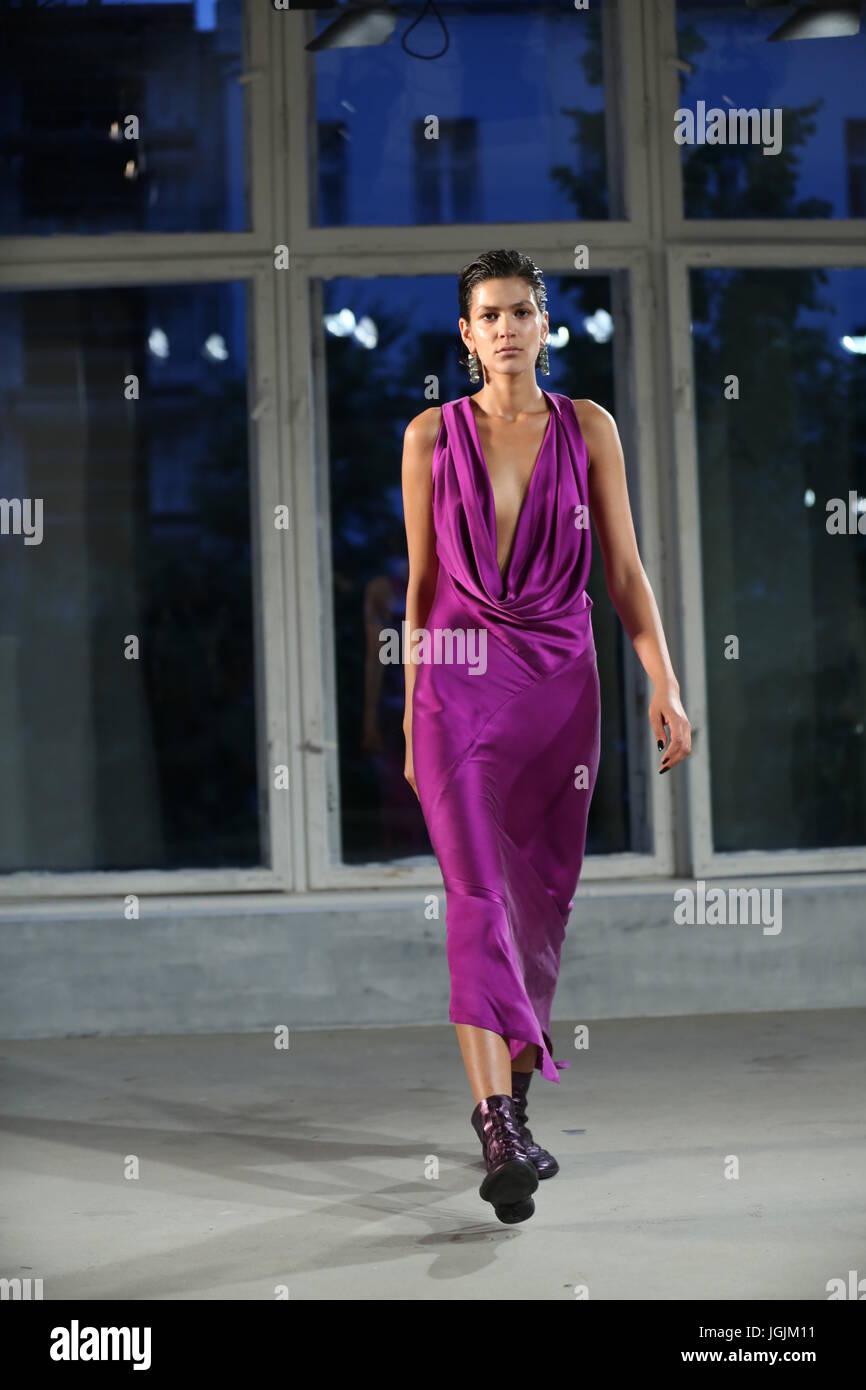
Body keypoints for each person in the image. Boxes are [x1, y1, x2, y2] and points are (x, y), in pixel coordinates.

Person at [400, 249, 691, 1223]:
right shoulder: (427, 438)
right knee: (474, 894)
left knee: (531, 902)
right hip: (453, 690)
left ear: (543, 322)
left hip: (557, 694)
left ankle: (515, 1113)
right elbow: (419, 588)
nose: (507, 327)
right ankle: (493, 1126)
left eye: (522, 310)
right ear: (466, 334)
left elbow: (621, 568)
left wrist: (663, 679)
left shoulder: (588, 429)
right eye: (489, 314)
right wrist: (408, 715)